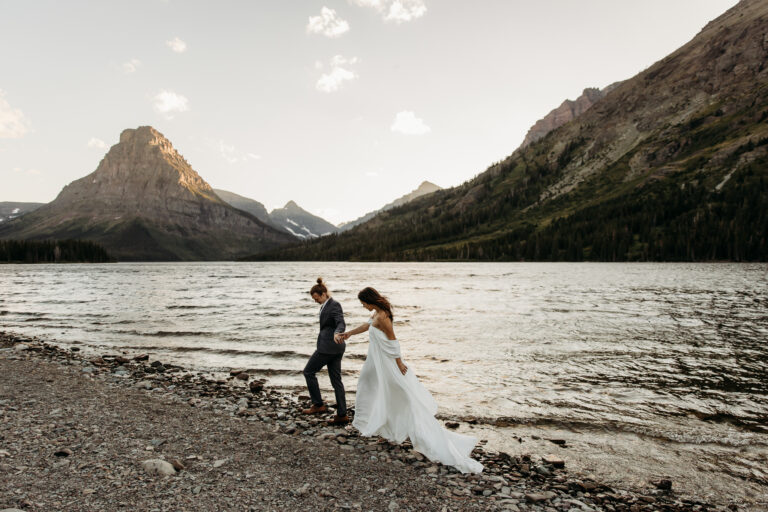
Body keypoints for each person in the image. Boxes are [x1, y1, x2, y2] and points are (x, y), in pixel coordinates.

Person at [335, 287, 483, 474]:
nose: (363, 306)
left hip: (388, 363)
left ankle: (406, 428)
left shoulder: (383, 317)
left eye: (363, 303)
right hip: (375, 362)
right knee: (368, 385)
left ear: (370, 301)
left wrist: (399, 363)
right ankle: (374, 425)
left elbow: (393, 340)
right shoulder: (376, 314)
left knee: (400, 394)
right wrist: (349, 334)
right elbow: (367, 326)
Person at [302, 277, 349, 425]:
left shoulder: (334, 305)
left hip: (328, 347)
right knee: (336, 380)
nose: (316, 301)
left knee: (308, 372)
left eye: (316, 298)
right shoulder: (326, 305)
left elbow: (340, 322)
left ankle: (318, 405)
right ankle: (342, 414)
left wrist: (338, 332)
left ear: (323, 294)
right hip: (336, 347)